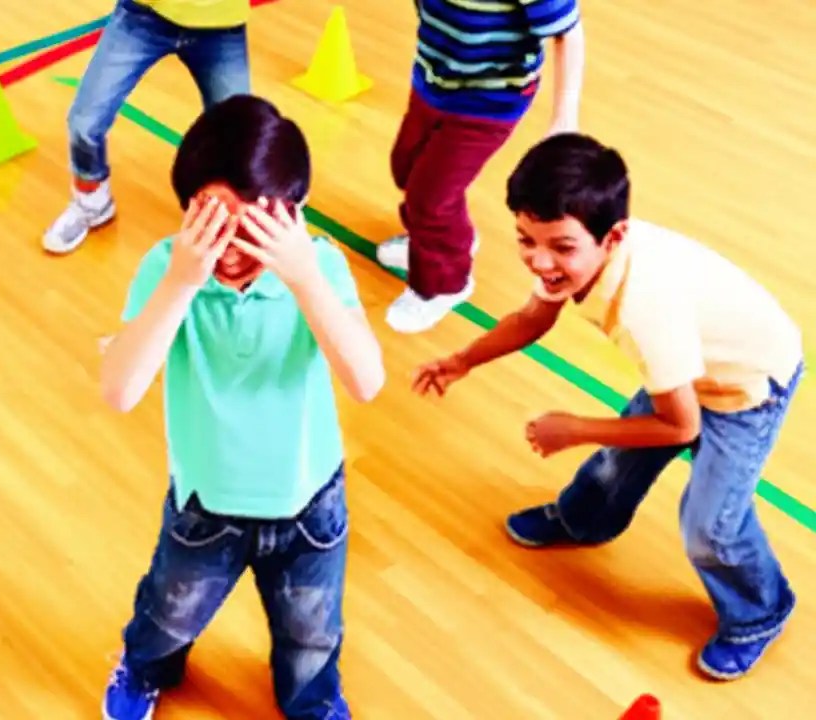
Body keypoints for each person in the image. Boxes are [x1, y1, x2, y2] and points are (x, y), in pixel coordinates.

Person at [412, 133, 804, 681]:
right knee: (617, 464)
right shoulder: (571, 254)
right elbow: (532, 318)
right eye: (526, 239)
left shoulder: (647, 305)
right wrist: (463, 359)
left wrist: (574, 428)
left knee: (708, 527)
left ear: (612, 236)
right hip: (688, 371)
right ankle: (583, 520)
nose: (539, 260)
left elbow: (679, 424)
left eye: (560, 247)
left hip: (747, 389)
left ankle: (760, 612)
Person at [98, 94, 384, 720]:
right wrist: (181, 280)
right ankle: (145, 667)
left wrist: (305, 277)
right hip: (207, 504)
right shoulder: (168, 269)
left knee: (311, 633)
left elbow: (366, 381)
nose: (227, 248)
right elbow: (119, 391)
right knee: (167, 613)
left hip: (310, 501)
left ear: (294, 213)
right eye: (207, 221)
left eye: (250, 225)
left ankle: (312, 700)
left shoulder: (321, 267)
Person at [377, 0, 585, 333]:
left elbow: (568, 33)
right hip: (433, 81)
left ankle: (445, 284)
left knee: (429, 200)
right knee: (406, 167)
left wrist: (564, 118)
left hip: (489, 102)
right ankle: (445, 240)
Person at [42, 0, 251, 255]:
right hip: (142, 19)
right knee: (85, 122)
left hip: (221, 25)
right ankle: (91, 203)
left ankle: (229, 214)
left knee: (240, 130)